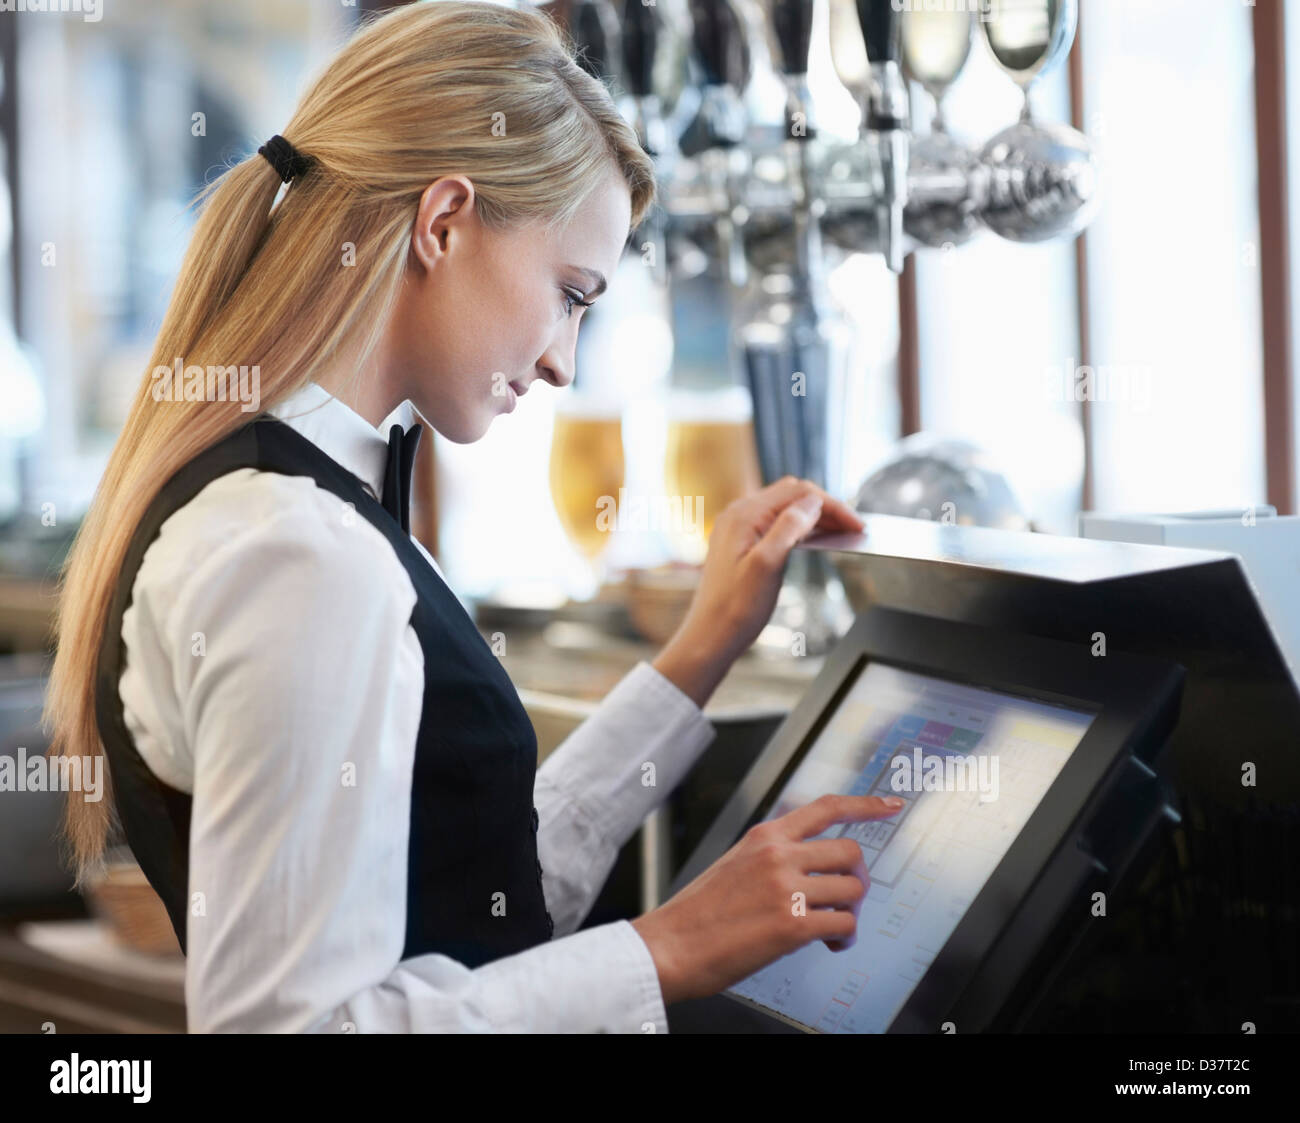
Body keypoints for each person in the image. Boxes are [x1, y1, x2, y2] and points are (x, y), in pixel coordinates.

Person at [43, 1, 901, 1032]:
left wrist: (704, 644)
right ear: (442, 221)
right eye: (571, 292)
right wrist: (667, 947)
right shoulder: (299, 551)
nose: (560, 359)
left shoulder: (301, 501)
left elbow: (477, 898)